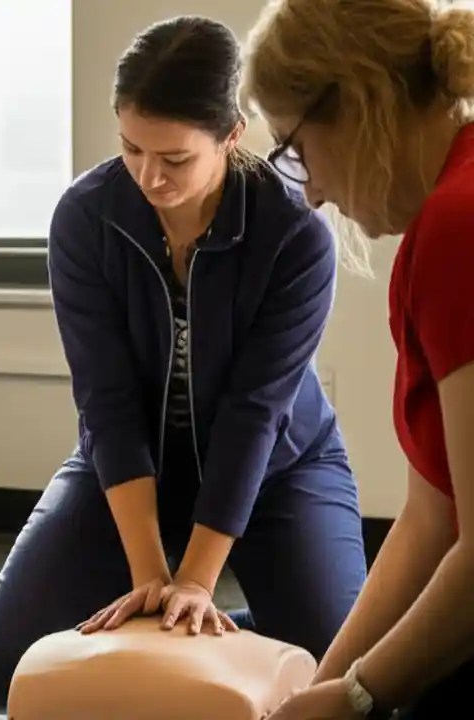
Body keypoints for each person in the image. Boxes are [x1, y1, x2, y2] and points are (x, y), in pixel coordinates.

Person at [0, 15, 369, 703]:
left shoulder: (294, 231)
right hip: (128, 468)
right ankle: (208, 613)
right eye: (131, 148)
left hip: (279, 467)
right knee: (4, 659)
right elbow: (107, 401)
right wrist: (152, 577)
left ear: (231, 136)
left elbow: (255, 412)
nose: (150, 176)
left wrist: (196, 582)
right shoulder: (84, 219)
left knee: (336, 664)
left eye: (175, 158)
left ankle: (228, 621)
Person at [242, 0, 474, 717]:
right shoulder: (438, 226)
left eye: (296, 150)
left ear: (358, 100)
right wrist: (327, 690)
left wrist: (360, 697)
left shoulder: (456, 229)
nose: (308, 190)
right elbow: (432, 517)